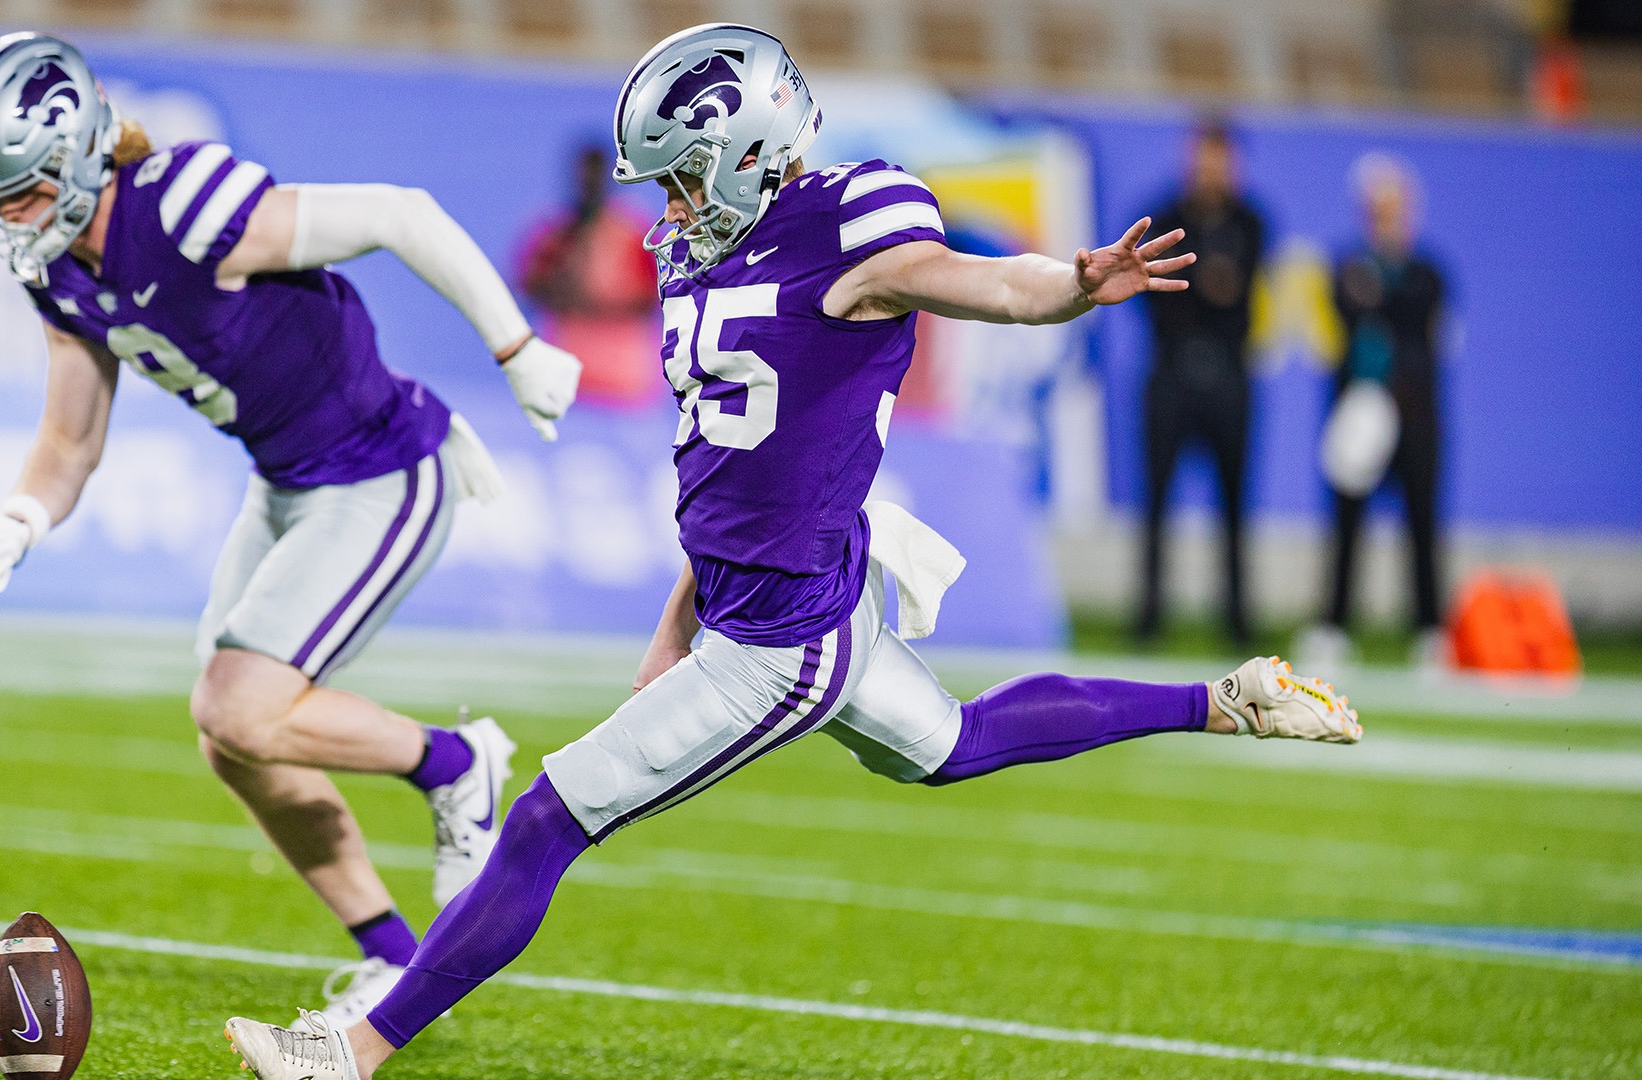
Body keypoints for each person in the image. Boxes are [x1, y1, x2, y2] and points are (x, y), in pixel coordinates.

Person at [222, 25, 1361, 1079]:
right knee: (955, 744)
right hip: (783, 587)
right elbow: (718, 474)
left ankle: (354, 1052)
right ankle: (1225, 702)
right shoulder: (695, 257)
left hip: (784, 638)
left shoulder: (850, 230)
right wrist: (674, 623)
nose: (666, 206)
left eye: (678, 177)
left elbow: (980, 284)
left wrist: (1069, 285)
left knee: (546, 819)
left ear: (743, 152)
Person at [0, 32, 581, 1025]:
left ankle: (458, 763)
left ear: (75, 158)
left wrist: (517, 345)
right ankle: (392, 954)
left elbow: (400, 216)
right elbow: (69, 439)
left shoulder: (181, 203)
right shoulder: (55, 270)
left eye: (18, 189)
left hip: (384, 467)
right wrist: (23, 516)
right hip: (284, 482)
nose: (4, 216)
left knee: (239, 705)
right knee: (231, 738)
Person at [1301, 154, 1448, 669]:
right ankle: (1333, 623)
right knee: (1346, 522)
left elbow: (1413, 312)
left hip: (1413, 412)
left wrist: (1380, 297)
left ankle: (1430, 628)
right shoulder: (1348, 264)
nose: (1387, 221)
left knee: (1422, 522)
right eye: (1378, 211)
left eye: (1395, 211)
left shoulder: (1427, 272)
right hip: (1359, 409)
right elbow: (1348, 306)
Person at [1136, 120, 1266, 647]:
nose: (1210, 170)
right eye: (1202, 158)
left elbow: (1240, 291)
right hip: (1171, 373)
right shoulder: (1163, 219)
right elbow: (1151, 293)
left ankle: (1236, 615)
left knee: (1234, 501)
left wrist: (1197, 291)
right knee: (1157, 501)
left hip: (1230, 377)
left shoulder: (1252, 223)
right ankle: (1149, 614)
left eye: (1219, 160)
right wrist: (1206, 288)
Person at [517, 144, 662, 406]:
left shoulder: (634, 233)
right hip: (567, 370)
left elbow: (659, 294)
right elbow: (529, 285)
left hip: (623, 376)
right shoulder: (555, 234)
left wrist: (604, 300)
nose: (589, 183)